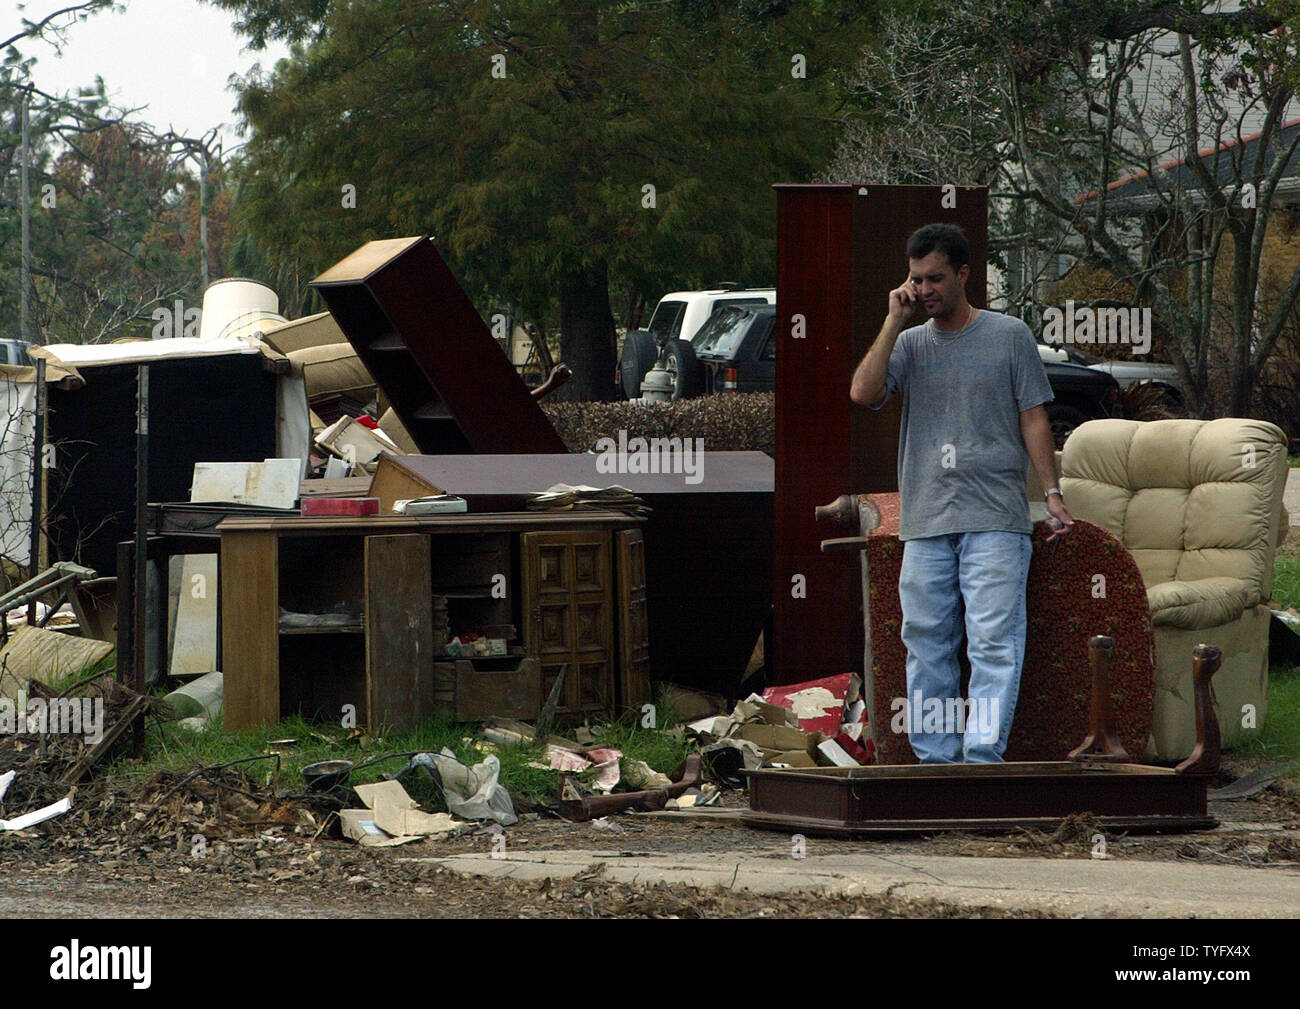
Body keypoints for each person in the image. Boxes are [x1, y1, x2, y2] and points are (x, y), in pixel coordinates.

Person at [849, 223, 1073, 763]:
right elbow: (863, 391)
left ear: (964, 275)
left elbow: (1034, 417)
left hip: (995, 517)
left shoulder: (1008, 334)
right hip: (925, 519)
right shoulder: (908, 342)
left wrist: (1053, 493)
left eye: (935, 278)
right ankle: (936, 762)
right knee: (927, 647)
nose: (925, 289)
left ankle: (981, 760)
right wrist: (891, 320)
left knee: (994, 644)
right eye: (916, 279)